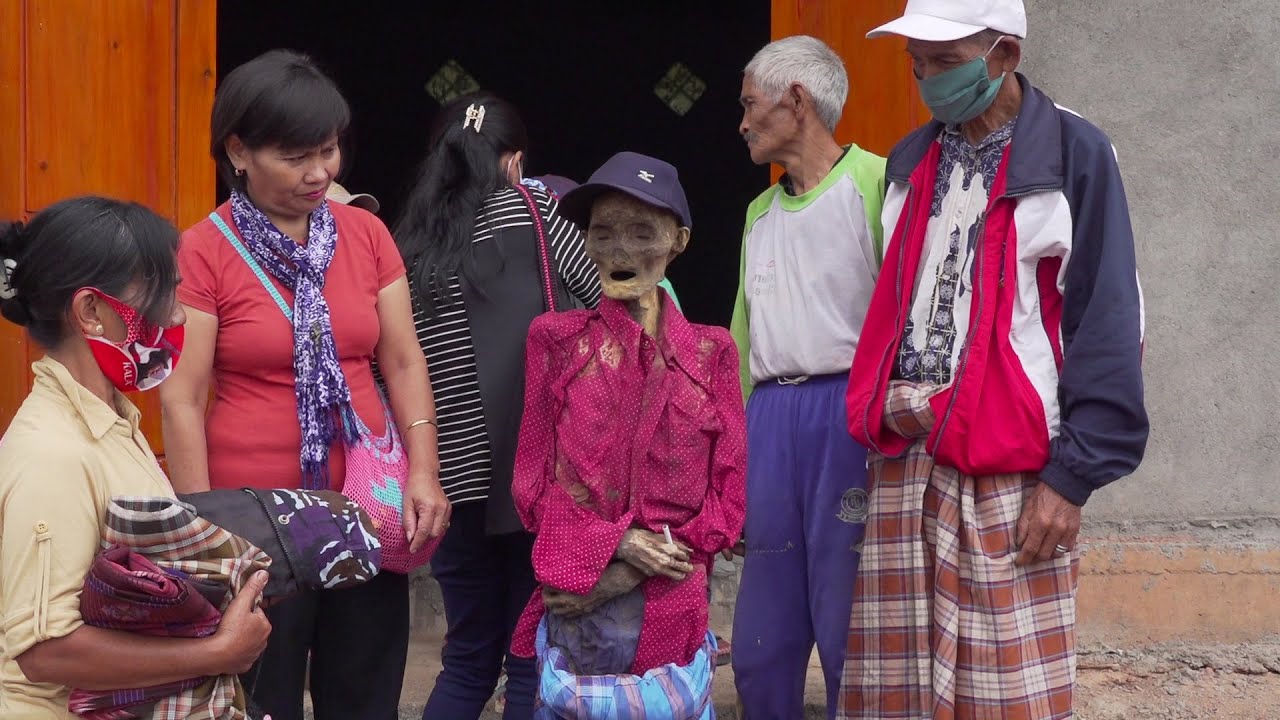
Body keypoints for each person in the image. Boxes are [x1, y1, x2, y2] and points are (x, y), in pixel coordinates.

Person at [840, 2, 1148, 717]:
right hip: (908, 452)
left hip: (1010, 459)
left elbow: (1108, 316)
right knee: (900, 691)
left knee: (1005, 690)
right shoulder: (910, 160)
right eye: (917, 61)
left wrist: (1072, 478)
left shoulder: (1073, 153)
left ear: (1005, 54)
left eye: (946, 61)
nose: (927, 77)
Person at [159, 49, 444, 720]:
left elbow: (404, 361)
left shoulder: (366, 234)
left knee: (365, 696)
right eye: (296, 157)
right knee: (262, 698)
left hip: (364, 512)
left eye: (329, 150)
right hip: (255, 523)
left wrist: (424, 470)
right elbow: (182, 397)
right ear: (238, 151)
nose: (320, 173)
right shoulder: (204, 250)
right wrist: (204, 529)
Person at [0, 197, 272, 719]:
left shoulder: (112, 423)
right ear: (90, 311)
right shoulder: (53, 455)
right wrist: (218, 653)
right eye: (161, 293)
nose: (176, 314)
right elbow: (44, 652)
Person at [510, 151, 746, 718]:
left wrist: (627, 569)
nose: (620, 250)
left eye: (643, 233)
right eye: (603, 232)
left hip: (671, 600)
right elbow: (532, 488)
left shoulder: (712, 352)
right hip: (579, 601)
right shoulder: (556, 340)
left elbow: (729, 498)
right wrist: (613, 543)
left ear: (678, 242)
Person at [393, 93, 601, 720]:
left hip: (447, 480)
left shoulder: (411, 242)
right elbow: (599, 297)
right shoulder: (533, 207)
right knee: (530, 658)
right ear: (514, 161)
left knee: (467, 657)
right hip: (530, 474)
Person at [728, 35, 887, 719]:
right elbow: (742, 340)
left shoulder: (877, 183)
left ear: (796, 101)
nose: (742, 123)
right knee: (763, 627)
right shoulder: (758, 214)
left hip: (850, 415)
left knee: (849, 608)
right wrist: (733, 450)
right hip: (770, 419)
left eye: (749, 105)